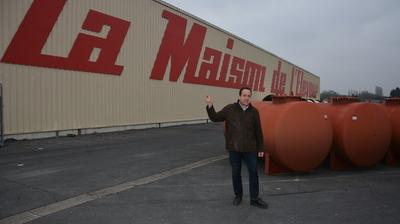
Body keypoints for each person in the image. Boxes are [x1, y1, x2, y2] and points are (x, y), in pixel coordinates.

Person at [205, 87, 268, 209]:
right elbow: (215, 118)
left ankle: (254, 199)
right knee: (235, 173)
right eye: (244, 95)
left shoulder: (254, 112)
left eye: (249, 95)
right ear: (239, 96)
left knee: (254, 173)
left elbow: (258, 131)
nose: (247, 98)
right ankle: (238, 196)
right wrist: (210, 105)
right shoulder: (230, 109)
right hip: (234, 148)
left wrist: (260, 148)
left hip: (250, 148)